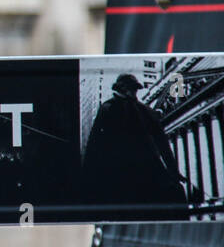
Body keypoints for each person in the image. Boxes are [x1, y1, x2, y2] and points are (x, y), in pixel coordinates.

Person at [81, 74, 189, 215]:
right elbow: (94, 143)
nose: (133, 93)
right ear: (121, 89)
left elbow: (162, 143)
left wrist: (174, 172)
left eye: (135, 89)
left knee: (173, 195)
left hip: (145, 169)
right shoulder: (108, 108)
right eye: (131, 89)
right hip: (118, 171)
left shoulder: (145, 111)